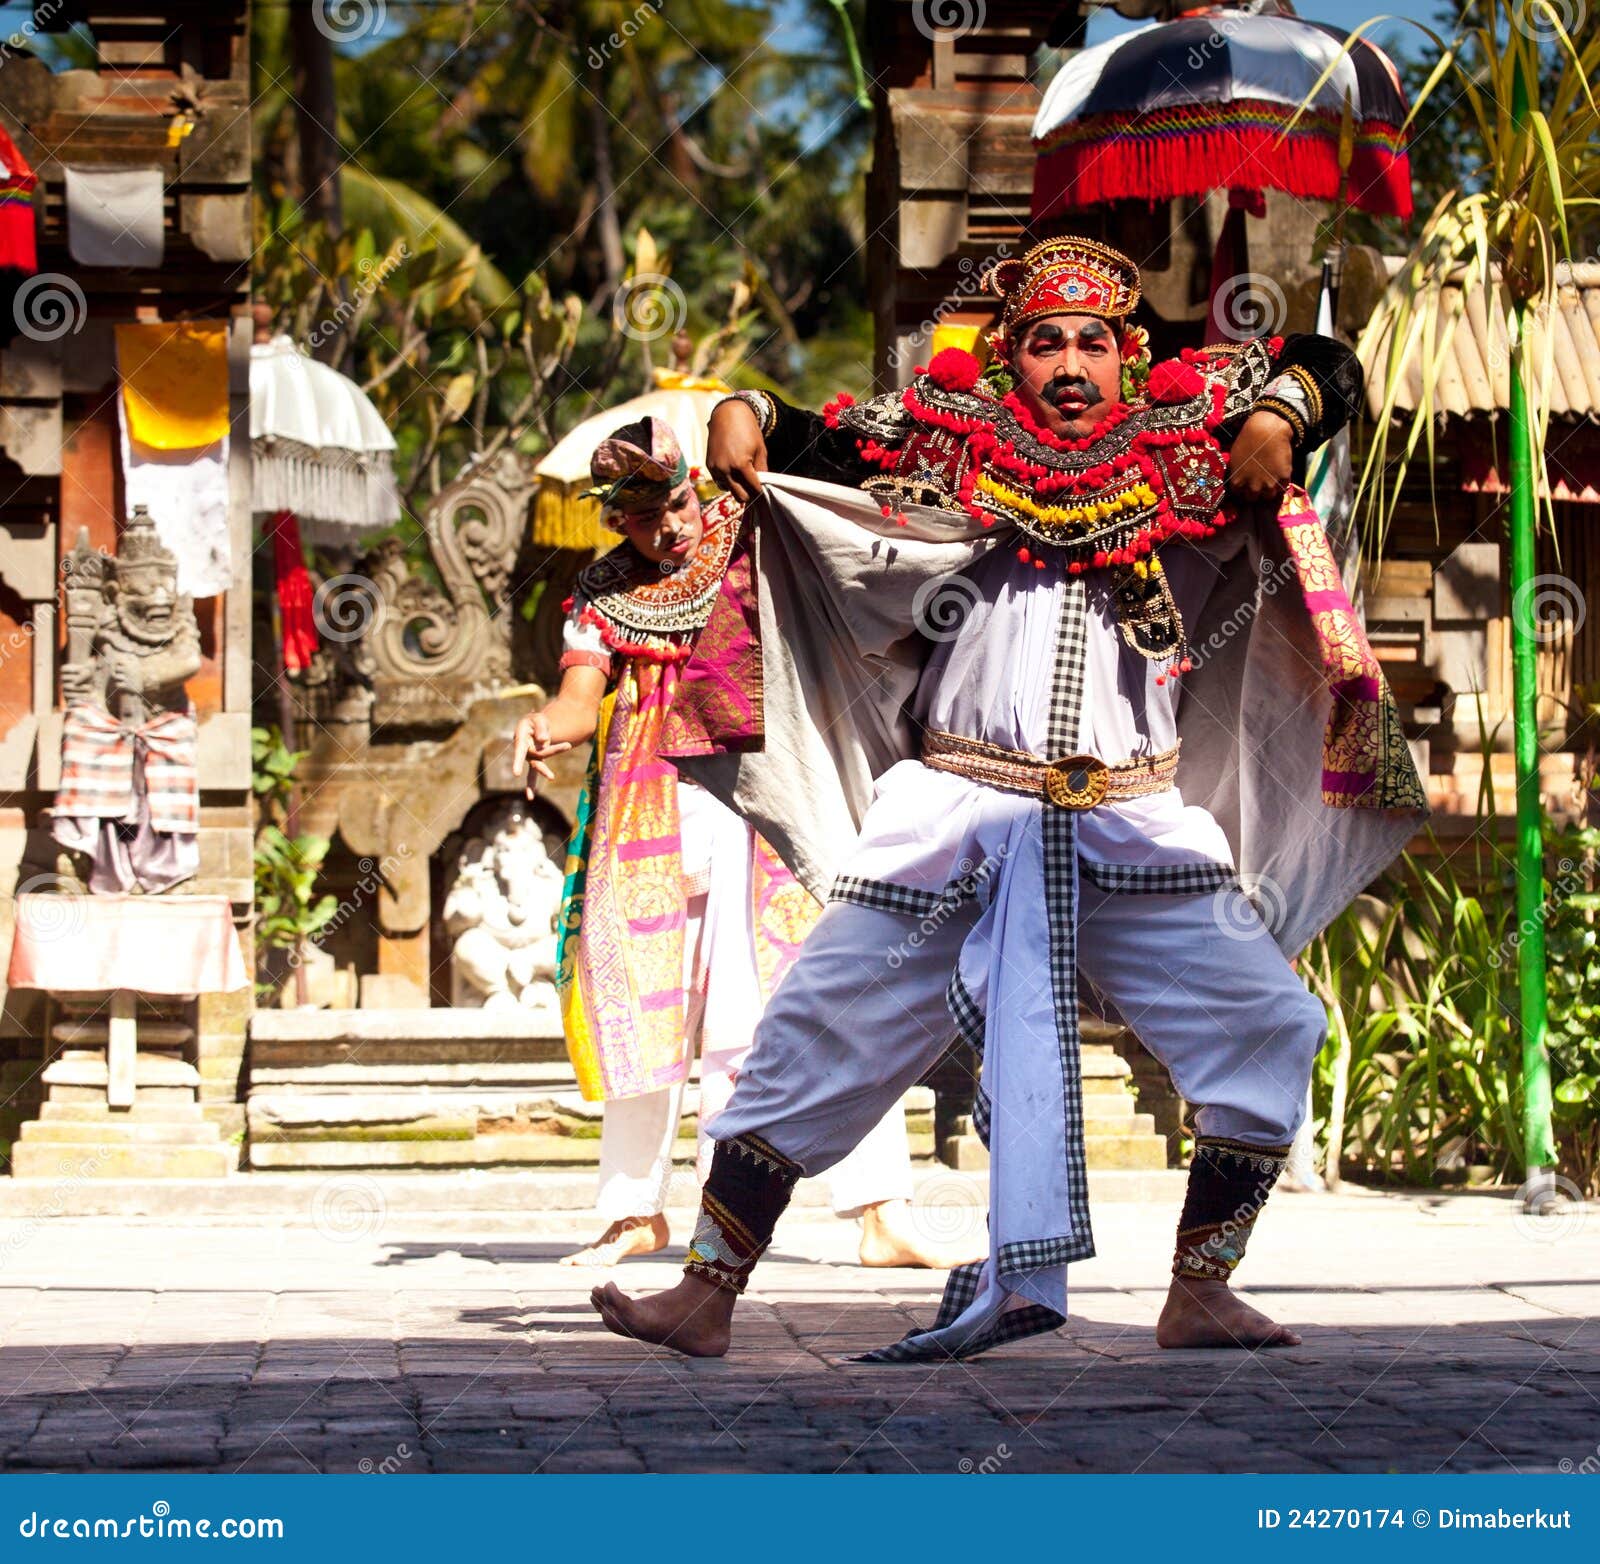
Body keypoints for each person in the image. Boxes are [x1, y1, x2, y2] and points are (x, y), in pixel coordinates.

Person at [586, 238, 1428, 1360]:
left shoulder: (1192, 449)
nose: (1070, 363)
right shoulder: (940, 444)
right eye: (1043, 342)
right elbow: (796, 433)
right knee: (806, 1035)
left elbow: (1331, 361)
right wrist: (738, 408)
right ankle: (705, 1291)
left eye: (1093, 341)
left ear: (1133, 356)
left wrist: (1276, 416)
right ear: (1006, 358)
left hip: (1133, 821)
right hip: (953, 819)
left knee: (1270, 1021)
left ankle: (1199, 1289)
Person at [513, 416, 980, 1272]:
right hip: (647, 805)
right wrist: (548, 724)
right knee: (643, 1001)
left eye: (676, 502)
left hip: (771, 794)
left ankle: (882, 1209)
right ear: (616, 520)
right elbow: (582, 697)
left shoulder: (757, 542)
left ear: (695, 483)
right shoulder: (601, 592)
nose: (669, 526)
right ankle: (634, 1212)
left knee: (825, 990)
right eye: (643, 516)